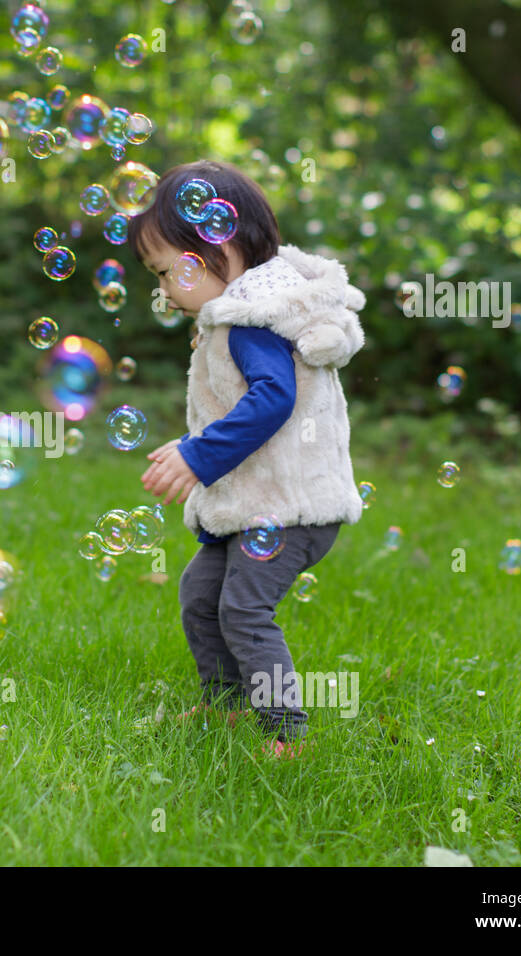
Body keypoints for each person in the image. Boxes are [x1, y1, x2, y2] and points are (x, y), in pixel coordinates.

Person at [130, 160, 367, 758]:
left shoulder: (254, 322)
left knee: (243, 607)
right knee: (200, 595)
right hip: (253, 507)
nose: (164, 289)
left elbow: (272, 402)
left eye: (167, 272)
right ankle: (227, 705)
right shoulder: (235, 317)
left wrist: (198, 456)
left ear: (220, 248)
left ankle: (286, 732)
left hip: (291, 508)